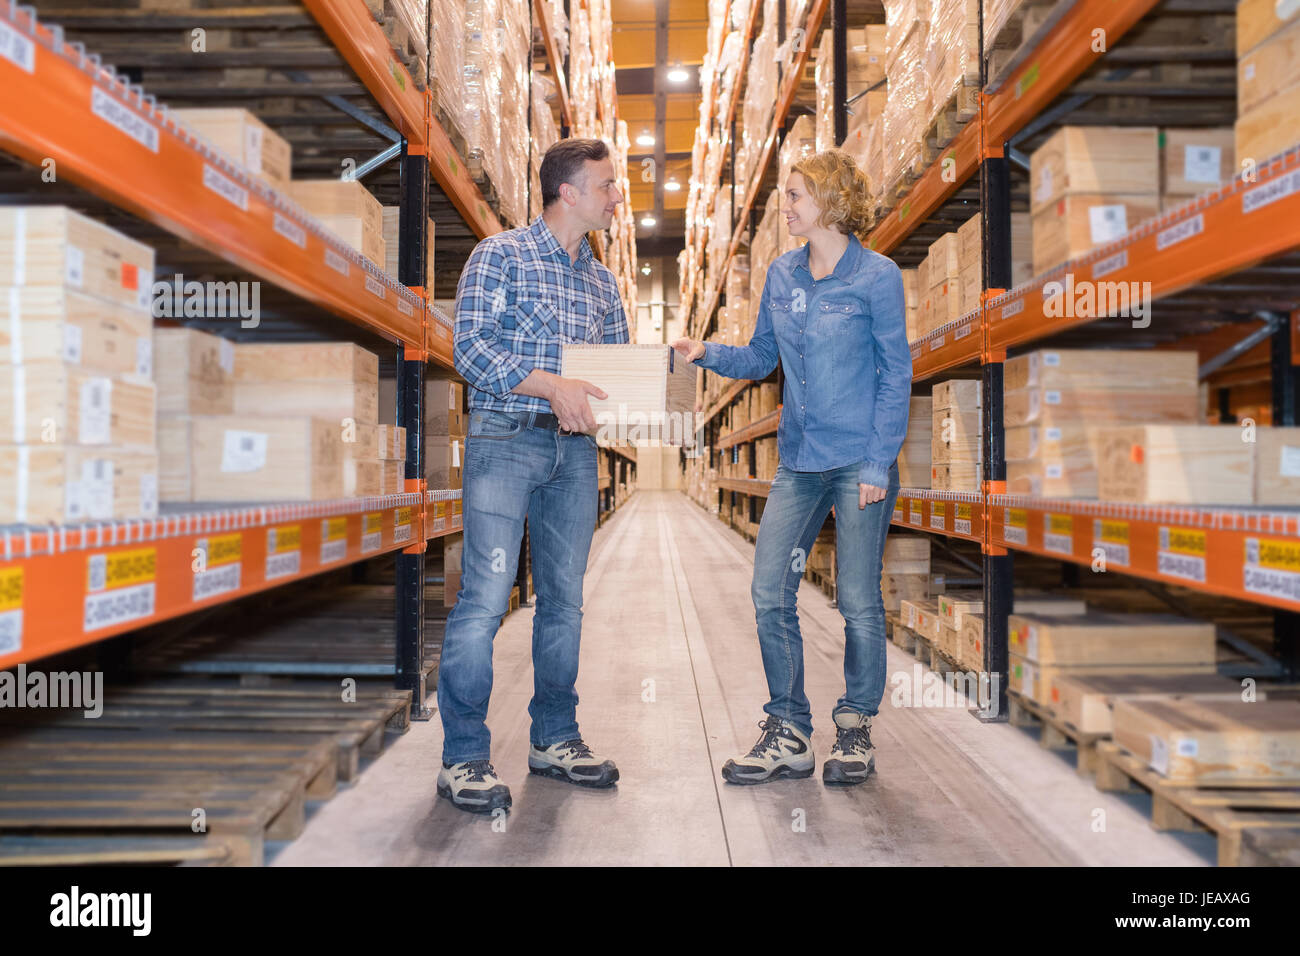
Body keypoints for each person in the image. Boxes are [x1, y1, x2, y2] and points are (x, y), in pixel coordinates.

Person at [672, 148, 912, 786]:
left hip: (860, 458)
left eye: (797, 196)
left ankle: (855, 727)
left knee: (858, 600)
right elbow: (759, 358)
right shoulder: (782, 276)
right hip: (800, 461)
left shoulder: (876, 277)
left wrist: (879, 463)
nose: (787, 206)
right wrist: (705, 352)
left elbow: (897, 376)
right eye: (785, 195)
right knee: (768, 590)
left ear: (831, 202)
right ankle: (789, 729)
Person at [438, 138, 628, 813]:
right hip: (504, 441)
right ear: (569, 192)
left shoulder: (603, 282)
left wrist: (644, 398)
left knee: (565, 602)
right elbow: (469, 347)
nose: (616, 197)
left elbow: (614, 373)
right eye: (606, 185)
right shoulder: (501, 256)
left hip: (573, 455)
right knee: (486, 598)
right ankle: (463, 756)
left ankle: (555, 737)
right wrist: (549, 385)